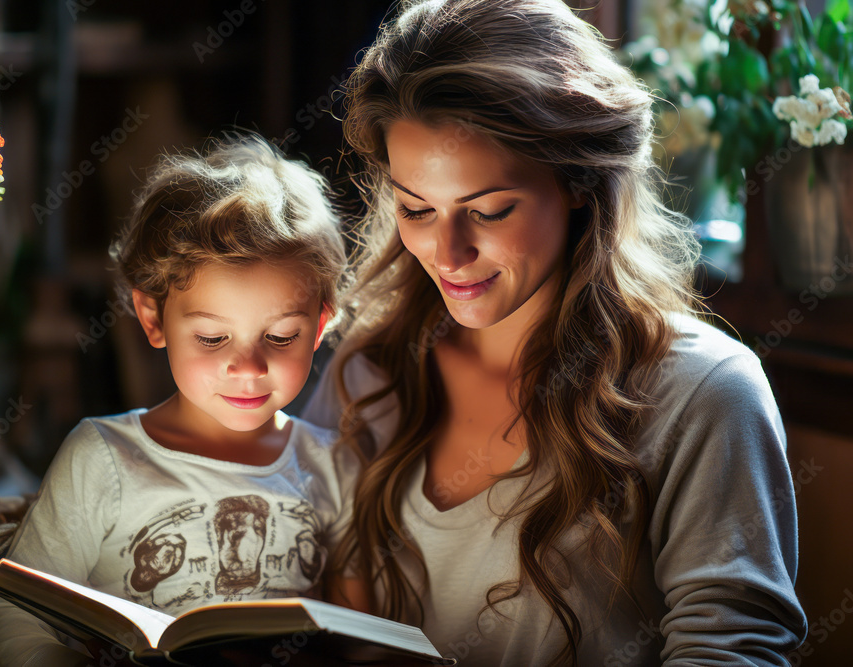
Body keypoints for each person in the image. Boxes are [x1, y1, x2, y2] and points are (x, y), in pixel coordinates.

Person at [300, 0, 808, 665]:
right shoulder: (370, 367)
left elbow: (729, 650)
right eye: (416, 208)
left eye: (489, 209)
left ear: (578, 182)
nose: (447, 253)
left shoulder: (704, 391)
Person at [0, 134, 356, 667]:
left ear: (321, 325)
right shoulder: (102, 458)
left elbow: (358, 632)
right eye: (211, 338)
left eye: (280, 337)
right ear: (154, 319)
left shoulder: (335, 465)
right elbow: (16, 610)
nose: (248, 367)